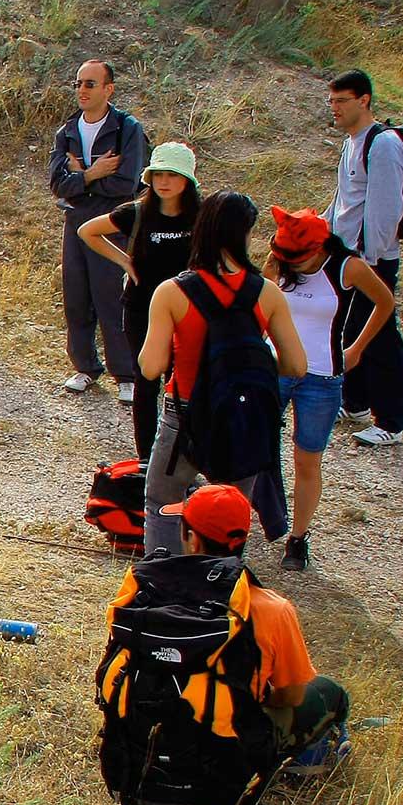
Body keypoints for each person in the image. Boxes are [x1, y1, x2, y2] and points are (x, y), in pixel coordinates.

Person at [138, 190, 308, 555]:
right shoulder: (267, 293)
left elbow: (150, 367)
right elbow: (297, 365)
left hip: (183, 415)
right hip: (242, 415)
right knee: (230, 512)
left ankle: (163, 585)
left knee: (162, 504)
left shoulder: (172, 292)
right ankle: (220, 587)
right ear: (245, 234)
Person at [150, 485, 350, 769]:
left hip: (148, 730)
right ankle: (307, 757)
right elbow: (291, 695)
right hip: (227, 745)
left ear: (192, 540)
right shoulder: (273, 609)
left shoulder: (148, 588)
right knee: (331, 692)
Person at [263, 206, 395, 571]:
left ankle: (297, 538)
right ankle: (253, 518)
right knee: (255, 446)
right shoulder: (279, 260)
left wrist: (357, 349)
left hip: (322, 377)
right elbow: (261, 302)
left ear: (320, 248)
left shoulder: (347, 266)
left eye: (299, 257)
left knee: (307, 458)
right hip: (275, 367)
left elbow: (385, 301)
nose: (292, 263)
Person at [80, 140, 201, 459]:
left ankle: (181, 458)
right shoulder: (136, 212)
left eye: (172, 175)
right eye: (158, 174)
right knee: (146, 383)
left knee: (183, 385)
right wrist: (123, 260)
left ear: (187, 180)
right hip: (141, 308)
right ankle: (147, 460)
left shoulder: (202, 215)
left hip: (188, 312)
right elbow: (87, 231)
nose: (163, 182)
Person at [51, 60, 151, 401]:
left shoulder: (127, 129)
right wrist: (93, 175)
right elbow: (57, 184)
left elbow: (127, 183)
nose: (82, 89)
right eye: (79, 83)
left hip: (112, 221)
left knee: (111, 297)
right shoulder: (66, 131)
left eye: (90, 84)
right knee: (76, 296)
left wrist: (79, 178)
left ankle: (125, 375)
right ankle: (85, 367)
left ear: (109, 89)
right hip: (76, 221)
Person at [324, 69, 403, 447]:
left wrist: (371, 257)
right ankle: (356, 402)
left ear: (364, 100)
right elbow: (345, 198)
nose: (335, 109)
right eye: (332, 101)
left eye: (342, 101)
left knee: (380, 335)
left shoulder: (384, 144)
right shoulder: (351, 142)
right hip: (347, 256)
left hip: (372, 259)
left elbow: (387, 208)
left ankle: (391, 421)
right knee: (347, 328)